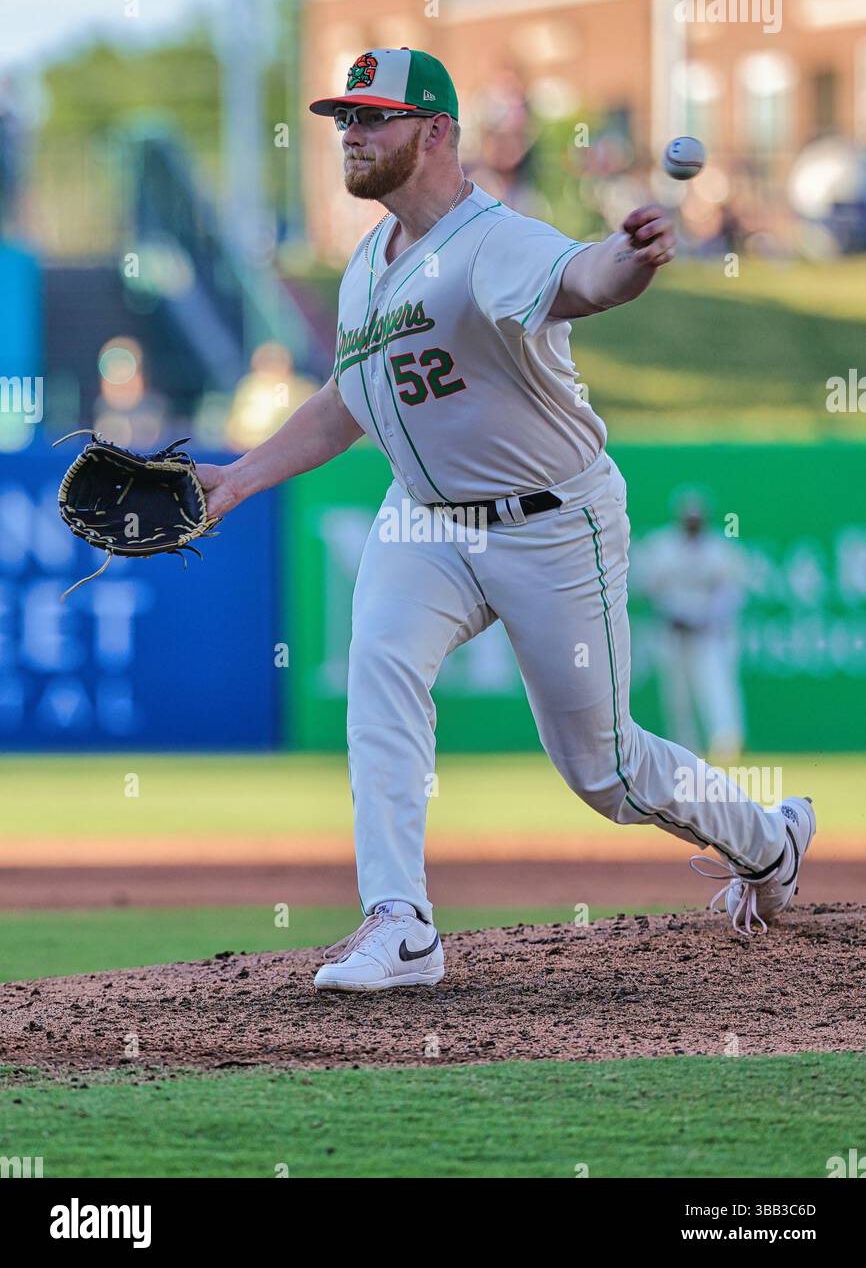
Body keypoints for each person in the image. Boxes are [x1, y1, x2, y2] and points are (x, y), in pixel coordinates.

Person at [197, 48, 815, 989]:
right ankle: (400, 923)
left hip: (549, 521)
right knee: (381, 671)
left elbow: (585, 278)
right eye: (342, 119)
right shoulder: (369, 261)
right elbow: (347, 401)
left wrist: (634, 258)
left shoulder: (495, 240)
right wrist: (238, 480)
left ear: (438, 131)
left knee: (603, 771)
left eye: (372, 117)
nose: (351, 134)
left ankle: (767, 844)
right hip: (426, 522)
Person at [636, 490, 747, 759]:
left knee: (716, 687)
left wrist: (704, 616)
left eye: (697, 518)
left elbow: (732, 594)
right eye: (688, 517)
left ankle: (726, 743)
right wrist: (674, 612)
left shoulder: (720, 549)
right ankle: (684, 748)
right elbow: (647, 588)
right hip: (673, 632)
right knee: (678, 696)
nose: (692, 523)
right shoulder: (662, 546)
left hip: (708, 633)